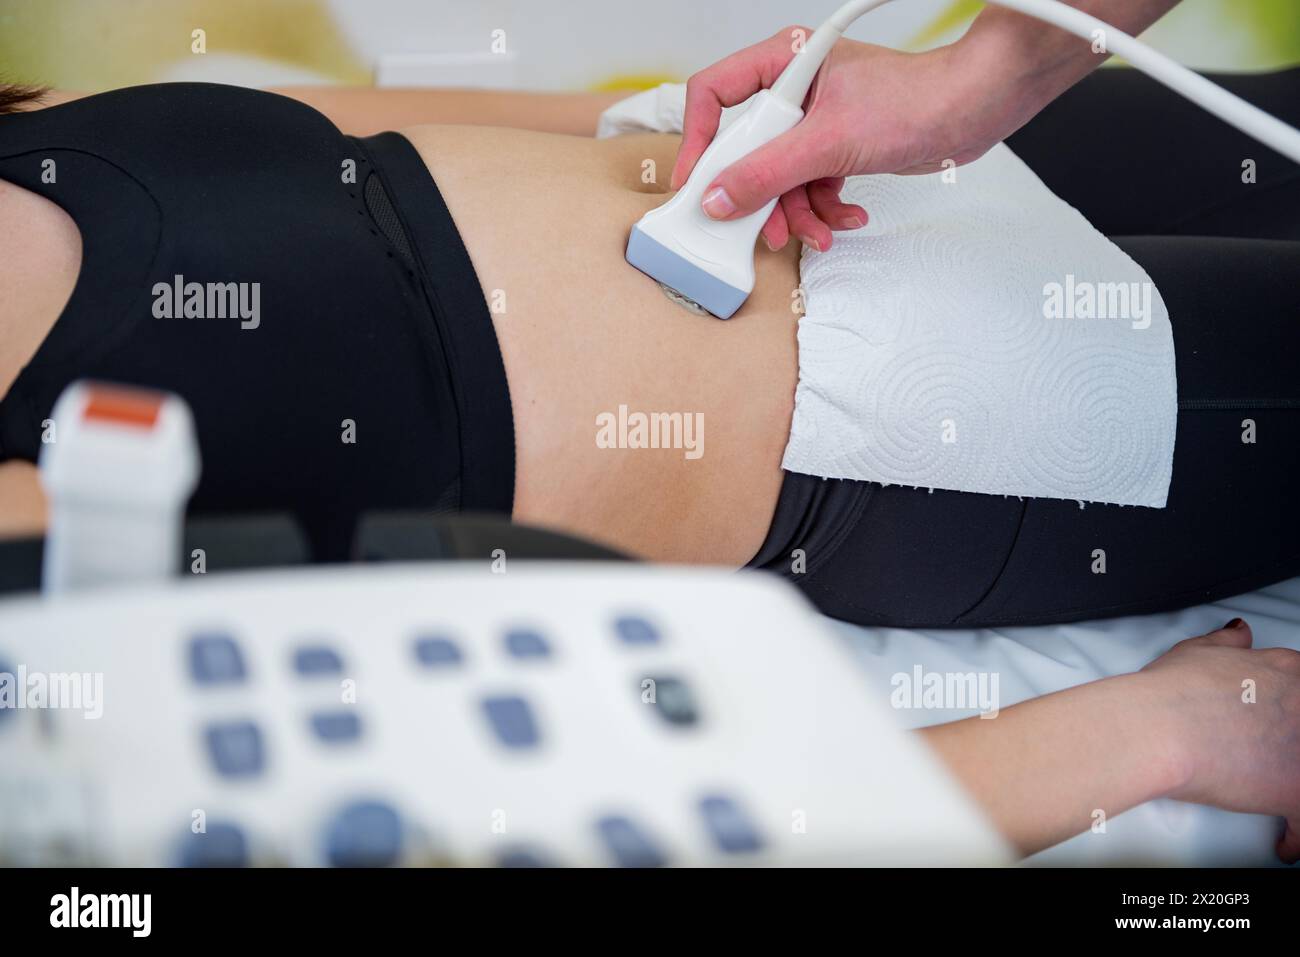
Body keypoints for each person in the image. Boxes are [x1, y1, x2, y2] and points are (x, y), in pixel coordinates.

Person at [0, 76, 1296, 862]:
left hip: (873, 161)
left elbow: (412, 126)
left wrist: (756, 106)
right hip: (913, 417)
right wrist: (1160, 733)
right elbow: (504, 795)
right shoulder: (42, 511)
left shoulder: (32, 126)